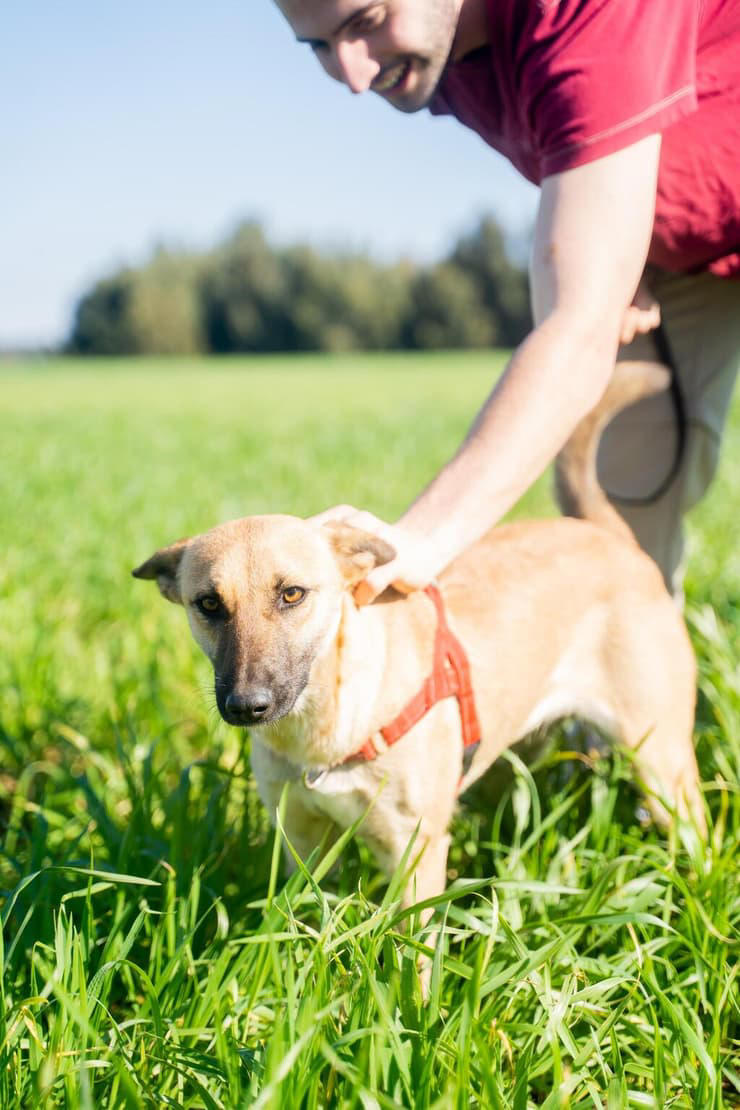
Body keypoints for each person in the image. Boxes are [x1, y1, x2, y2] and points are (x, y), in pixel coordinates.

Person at [275, 0, 740, 603]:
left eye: (366, 20)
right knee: (621, 506)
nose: (354, 75)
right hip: (684, 245)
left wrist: (417, 541)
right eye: (318, 47)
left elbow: (578, 329)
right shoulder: (427, 48)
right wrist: (616, 247)